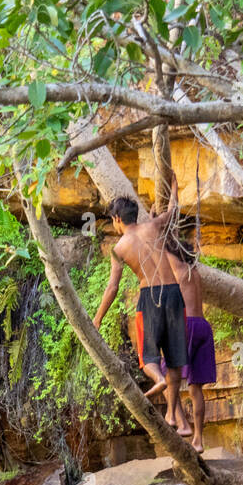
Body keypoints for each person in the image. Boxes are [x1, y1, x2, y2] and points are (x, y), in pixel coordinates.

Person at [92, 173, 189, 434]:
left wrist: (98, 318)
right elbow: (173, 211)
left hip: (150, 297)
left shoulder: (120, 248)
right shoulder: (153, 227)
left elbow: (112, 287)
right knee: (176, 358)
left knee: (149, 358)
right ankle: (172, 416)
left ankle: (157, 380)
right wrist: (175, 187)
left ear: (116, 219)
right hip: (173, 293)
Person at [153, 226, 215, 453]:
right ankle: (198, 440)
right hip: (202, 326)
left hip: (186, 325)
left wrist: (157, 226)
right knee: (195, 388)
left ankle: (176, 418)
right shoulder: (194, 272)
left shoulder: (178, 268)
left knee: (165, 374)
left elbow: (159, 248)